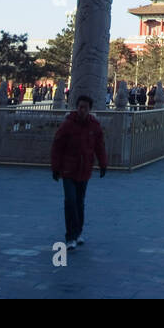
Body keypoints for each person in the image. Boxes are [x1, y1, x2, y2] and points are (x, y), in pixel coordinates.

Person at [50, 95, 107, 249]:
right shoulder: (68, 125)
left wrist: (103, 164)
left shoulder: (94, 125)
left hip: (84, 169)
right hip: (68, 169)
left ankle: (78, 232)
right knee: (70, 201)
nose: (82, 110)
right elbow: (57, 146)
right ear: (77, 107)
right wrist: (55, 167)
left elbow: (99, 146)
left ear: (90, 109)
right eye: (80, 107)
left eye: (85, 108)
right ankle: (70, 236)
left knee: (79, 202)